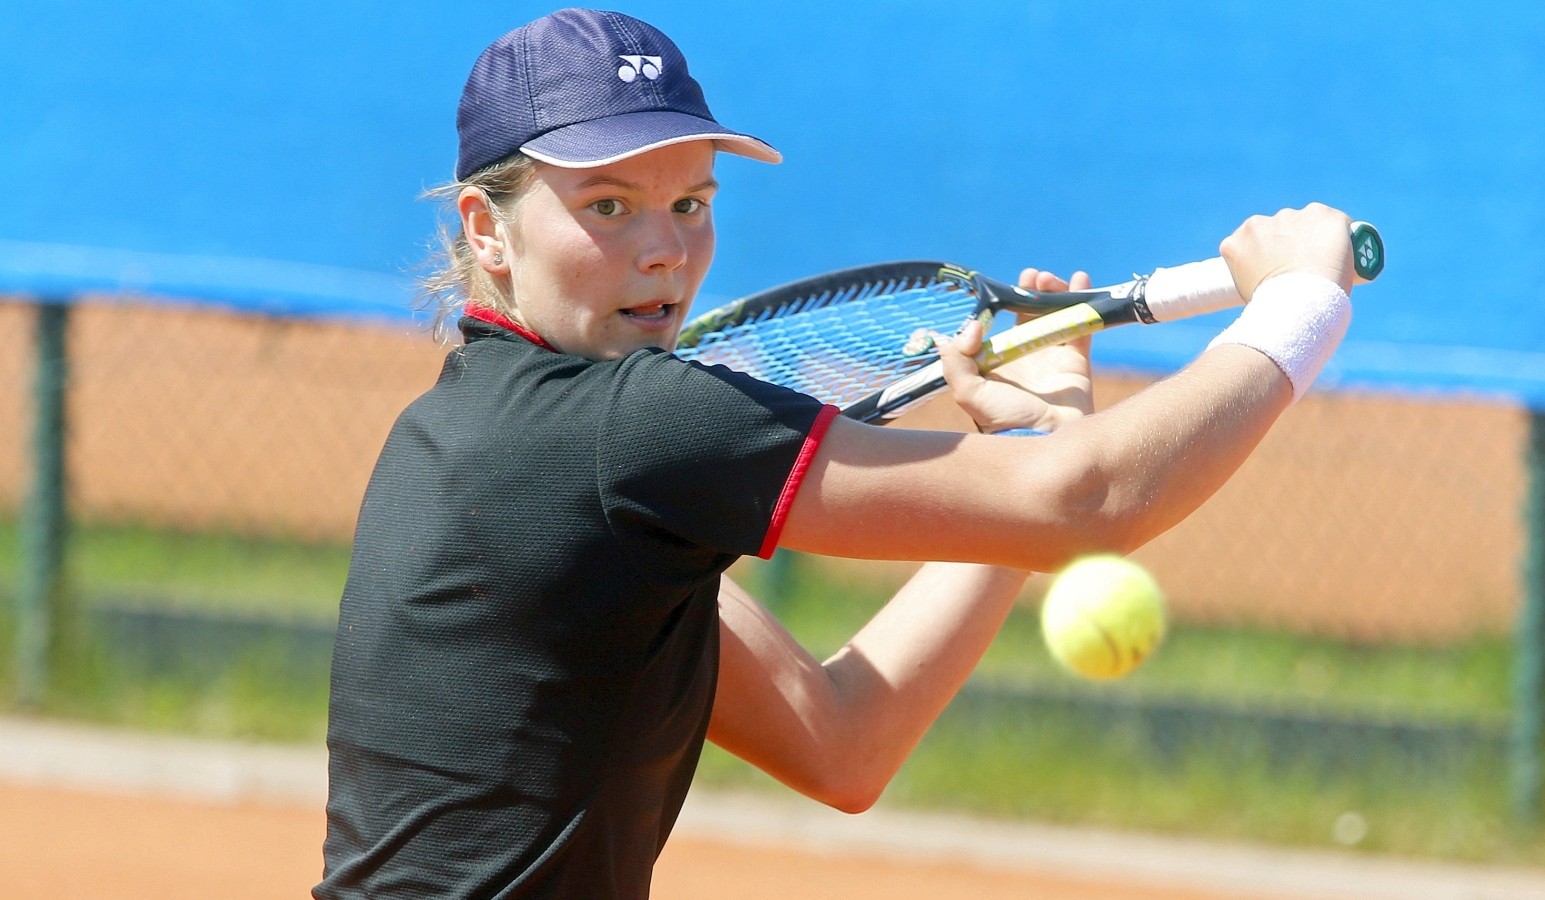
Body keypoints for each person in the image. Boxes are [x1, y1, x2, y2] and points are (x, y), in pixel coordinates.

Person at [317, 8, 1358, 898]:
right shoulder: (627, 428)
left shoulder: (471, 437)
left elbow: (841, 739)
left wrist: (1030, 438)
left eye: (689, 203)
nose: (664, 249)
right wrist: (1300, 303)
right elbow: (1087, 503)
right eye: (607, 207)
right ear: (485, 231)